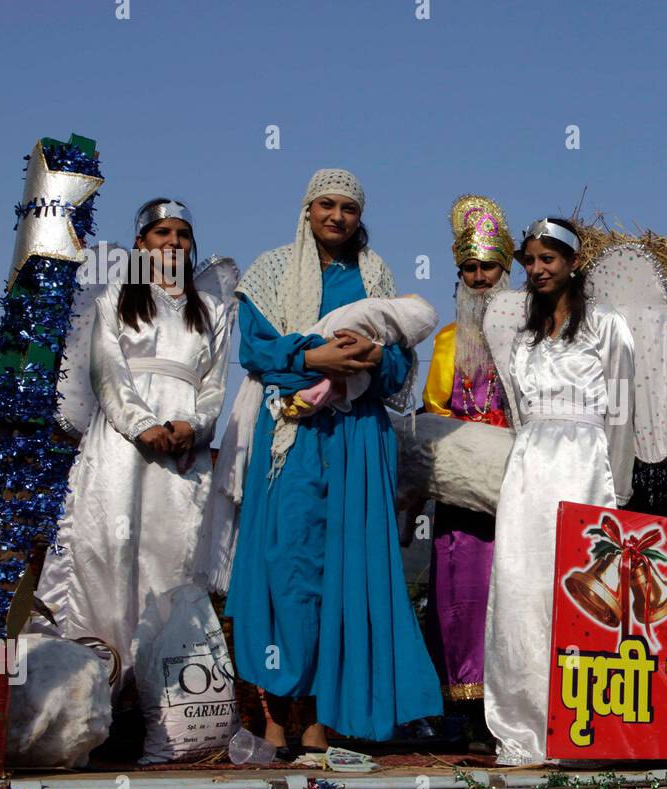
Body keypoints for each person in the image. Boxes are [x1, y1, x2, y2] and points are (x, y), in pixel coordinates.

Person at [224, 169, 441, 754]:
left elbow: (399, 368)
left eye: (348, 207)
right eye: (326, 204)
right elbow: (255, 351)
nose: (336, 216)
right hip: (290, 434)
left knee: (347, 571)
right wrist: (314, 354)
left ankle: (323, 722)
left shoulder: (375, 276)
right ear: (307, 208)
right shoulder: (269, 270)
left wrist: (370, 358)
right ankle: (273, 719)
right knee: (284, 568)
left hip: (355, 439)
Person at [36, 198, 233, 696]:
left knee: (172, 556)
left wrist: (194, 424)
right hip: (124, 443)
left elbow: (215, 382)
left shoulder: (210, 308)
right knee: (110, 549)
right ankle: (94, 688)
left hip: (182, 452)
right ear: (142, 242)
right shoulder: (115, 295)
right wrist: (142, 424)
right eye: (162, 233)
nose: (173, 242)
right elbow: (107, 369)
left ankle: (164, 694)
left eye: (182, 235)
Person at [482, 217, 636, 765]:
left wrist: (614, 494)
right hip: (530, 468)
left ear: (572, 262)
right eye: (529, 260)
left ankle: (582, 724)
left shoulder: (609, 326)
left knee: (578, 591)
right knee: (523, 588)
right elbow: (522, 413)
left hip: (584, 467)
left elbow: (621, 416)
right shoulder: (523, 335)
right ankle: (524, 726)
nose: (537, 269)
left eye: (548, 259)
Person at [420, 195, 514, 750]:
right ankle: (467, 715)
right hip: (462, 493)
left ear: (508, 271)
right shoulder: (448, 342)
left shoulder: (530, 334)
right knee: (461, 595)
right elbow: (436, 415)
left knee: (514, 591)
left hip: (518, 482)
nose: (479, 278)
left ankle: (514, 705)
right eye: (470, 270)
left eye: (489, 268)